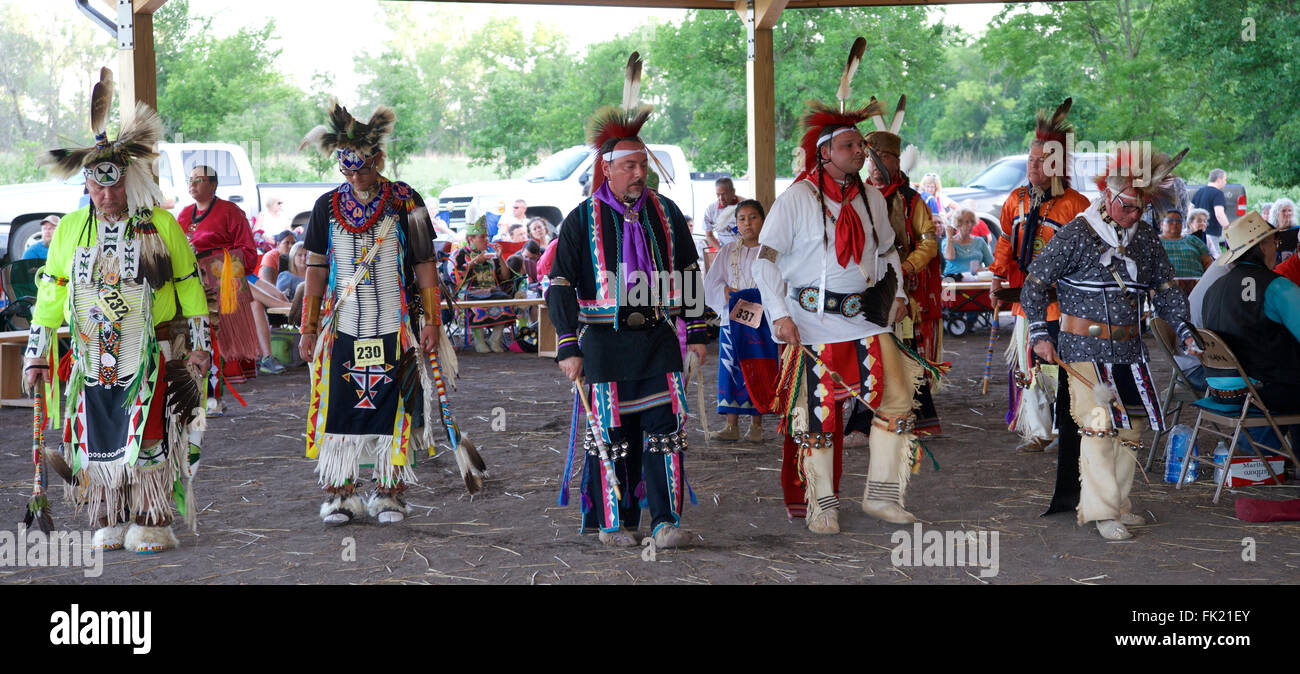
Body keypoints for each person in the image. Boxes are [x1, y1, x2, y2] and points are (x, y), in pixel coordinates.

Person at [25, 69, 209, 553]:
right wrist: (36, 353)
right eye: (98, 187)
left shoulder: (161, 225)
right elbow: (51, 293)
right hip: (92, 358)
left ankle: (152, 516)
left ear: (130, 180)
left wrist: (201, 348)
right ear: (87, 184)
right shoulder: (68, 231)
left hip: (155, 349)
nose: (107, 196)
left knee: (153, 434)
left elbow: (190, 285)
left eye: (115, 186)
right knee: (95, 436)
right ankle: (110, 514)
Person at [755, 42, 930, 533]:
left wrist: (896, 295)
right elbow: (764, 262)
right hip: (813, 322)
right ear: (825, 152)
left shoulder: (873, 198)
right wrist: (779, 315)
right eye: (851, 146)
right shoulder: (796, 200)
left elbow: (890, 251)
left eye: (862, 146)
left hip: (867, 319)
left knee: (896, 400)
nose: (861, 151)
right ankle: (822, 502)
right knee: (819, 414)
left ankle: (881, 496)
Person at [546, 52, 709, 549]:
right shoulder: (581, 220)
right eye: (631, 165)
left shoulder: (667, 213)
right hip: (603, 342)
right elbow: (559, 285)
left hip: (657, 339)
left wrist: (698, 333)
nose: (641, 172)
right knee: (611, 434)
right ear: (609, 169)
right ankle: (615, 522)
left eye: (644, 163)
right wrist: (569, 346)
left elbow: (688, 273)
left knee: (664, 430)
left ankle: (664, 521)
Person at [298, 96, 478, 525]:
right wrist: (307, 327)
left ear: (378, 158)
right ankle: (340, 493)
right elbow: (316, 271)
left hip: (395, 327)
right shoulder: (326, 206)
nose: (355, 174)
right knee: (340, 408)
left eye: (361, 165)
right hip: (343, 328)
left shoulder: (405, 200)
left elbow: (424, 264)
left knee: (396, 407)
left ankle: (389, 492)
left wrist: (432, 320)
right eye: (346, 167)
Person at [1025, 145, 1200, 541]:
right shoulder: (1077, 233)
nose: (1134, 215)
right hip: (1082, 349)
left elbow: (1167, 289)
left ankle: (1118, 504)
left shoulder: (1147, 240)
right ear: (1108, 195)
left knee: (1132, 428)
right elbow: (1035, 283)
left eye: (1141, 208)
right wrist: (1038, 334)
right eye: (1127, 206)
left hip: (1129, 352)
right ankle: (1102, 512)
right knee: (1099, 424)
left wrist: (1185, 329)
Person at [988, 98, 1092, 453]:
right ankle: (1036, 430)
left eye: (1040, 161)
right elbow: (1005, 239)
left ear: (1056, 165)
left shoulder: (1076, 205)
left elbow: (1089, 255)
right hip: (1025, 301)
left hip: (1064, 304)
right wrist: (998, 278)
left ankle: (1067, 428)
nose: (1032, 166)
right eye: (1030, 160)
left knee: (1062, 367)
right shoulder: (1016, 199)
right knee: (1027, 366)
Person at [862, 95, 945, 436]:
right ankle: (870, 417)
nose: (874, 164)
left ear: (896, 161)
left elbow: (928, 240)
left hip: (904, 292)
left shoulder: (910, 200)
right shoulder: (856, 196)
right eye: (870, 157)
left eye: (882, 157)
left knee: (907, 350)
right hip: (864, 287)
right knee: (868, 352)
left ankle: (917, 417)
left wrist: (907, 268)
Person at [179, 165, 285, 389]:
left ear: (213, 185)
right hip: (193, 279)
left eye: (199, 180)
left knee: (242, 289)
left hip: (224, 277)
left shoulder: (230, 211)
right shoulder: (184, 214)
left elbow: (248, 252)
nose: (192, 184)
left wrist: (216, 262)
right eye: (191, 180)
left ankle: (283, 307)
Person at [1201, 212, 1300, 414]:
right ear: (1262, 246)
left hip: (1218, 389)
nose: (1276, 249)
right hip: (1264, 390)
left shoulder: (1214, 288)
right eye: (1275, 243)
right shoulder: (1276, 286)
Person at [704, 199, 770, 443]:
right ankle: (731, 424)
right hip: (732, 320)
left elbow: (780, 282)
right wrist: (725, 292)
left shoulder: (771, 250)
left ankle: (757, 424)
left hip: (761, 321)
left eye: (753, 217)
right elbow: (713, 282)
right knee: (730, 368)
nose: (747, 223)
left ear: (763, 221)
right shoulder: (728, 250)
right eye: (742, 219)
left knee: (756, 368)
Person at [453, 217, 516, 353]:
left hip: (492, 292)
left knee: (505, 299)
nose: (486, 240)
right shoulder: (460, 253)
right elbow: (456, 276)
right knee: (477, 303)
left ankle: (495, 339)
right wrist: (474, 262)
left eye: (487, 237)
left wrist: (500, 257)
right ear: (471, 239)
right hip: (469, 293)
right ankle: (479, 340)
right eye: (482, 237)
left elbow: (505, 277)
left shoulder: (490, 255)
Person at [1158, 210, 1213, 277]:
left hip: (1196, 285)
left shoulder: (1194, 240)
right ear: (1161, 224)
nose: (1175, 223)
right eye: (1170, 220)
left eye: (1179, 221)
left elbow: (1208, 262)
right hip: (1161, 285)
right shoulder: (1153, 241)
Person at [940, 207, 993, 276]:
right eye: (967, 222)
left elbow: (991, 265)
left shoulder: (980, 241)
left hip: (976, 280)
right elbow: (950, 257)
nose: (970, 225)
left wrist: (983, 269)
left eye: (972, 222)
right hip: (954, 279)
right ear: (958, 223)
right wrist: (949, 237)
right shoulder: (948, 241)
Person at [1191, 169, 1231, 258]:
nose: (1225, 182)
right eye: (1225, 179)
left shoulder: (1199, 191)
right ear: (1219, 179)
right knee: (1217, 259)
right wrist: (1229, 228)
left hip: (1198, 233)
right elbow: (1219, 214)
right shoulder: (1218, 193)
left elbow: (1190, 210)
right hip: (1211, 233)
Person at [703, 177, 741, 250]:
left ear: (733, 191)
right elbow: (709, 235)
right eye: (718, 194)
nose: (721, 198)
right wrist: (720, 250)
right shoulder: (711, 209)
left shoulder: (744, 206)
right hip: (724, 249)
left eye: (724, 194)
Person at [1269, 197, 1297, 263]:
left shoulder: (1297, 230)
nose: (1287, 213)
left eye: (1290, 210)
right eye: (1284, 211)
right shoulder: (1271, 232)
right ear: (1276, 214)